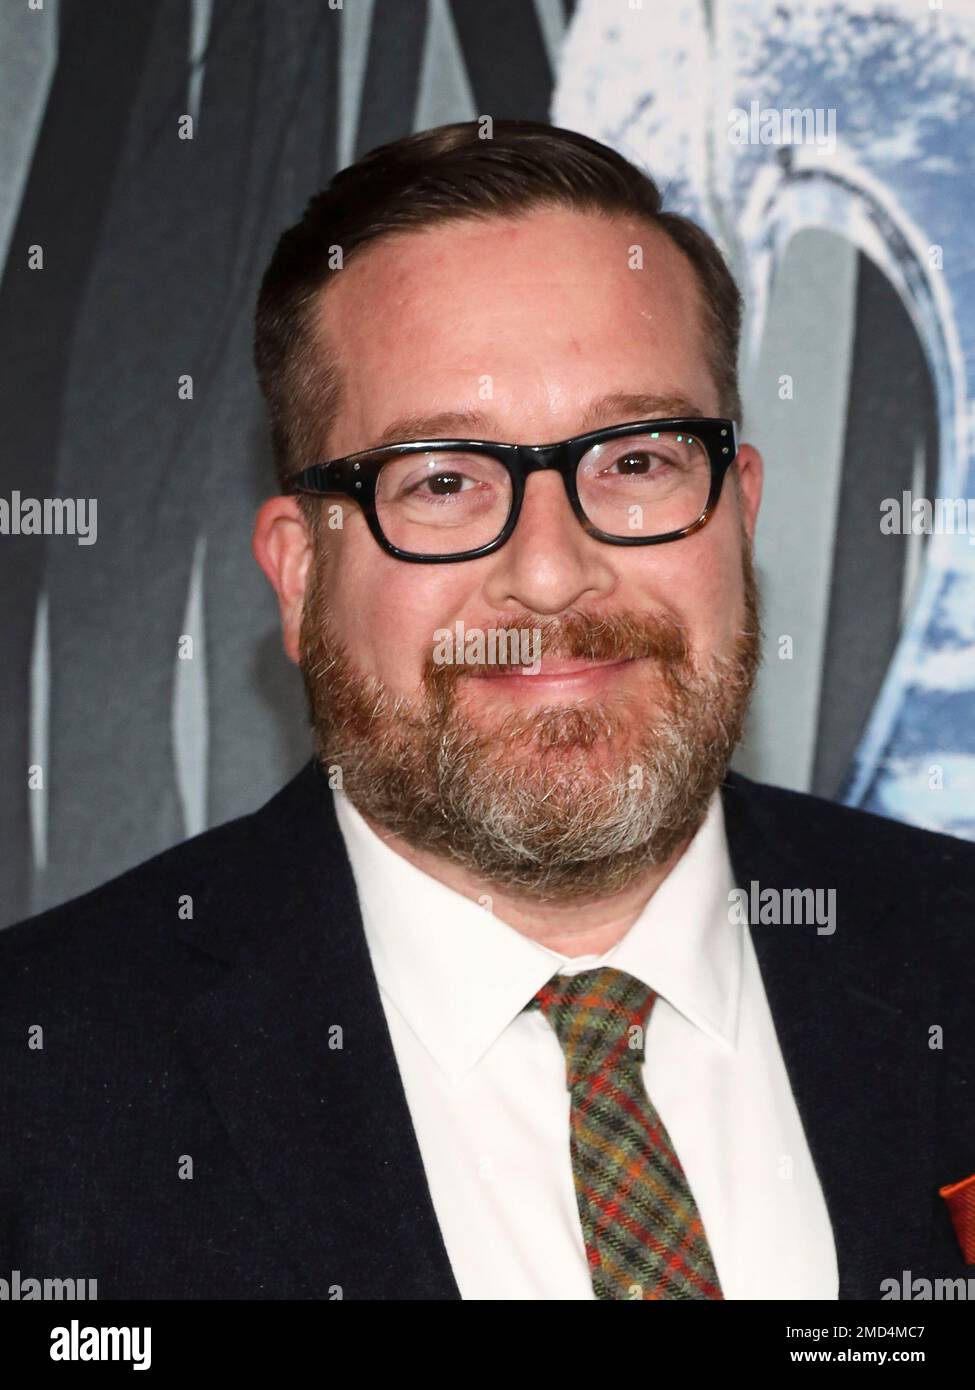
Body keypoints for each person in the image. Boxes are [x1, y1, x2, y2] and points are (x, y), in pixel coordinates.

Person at [2, 119, 974, 1302]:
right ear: (301, 575)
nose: (555, 573)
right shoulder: (42, 1088)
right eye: (445, 482)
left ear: (738, 510)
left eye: (636, 459)